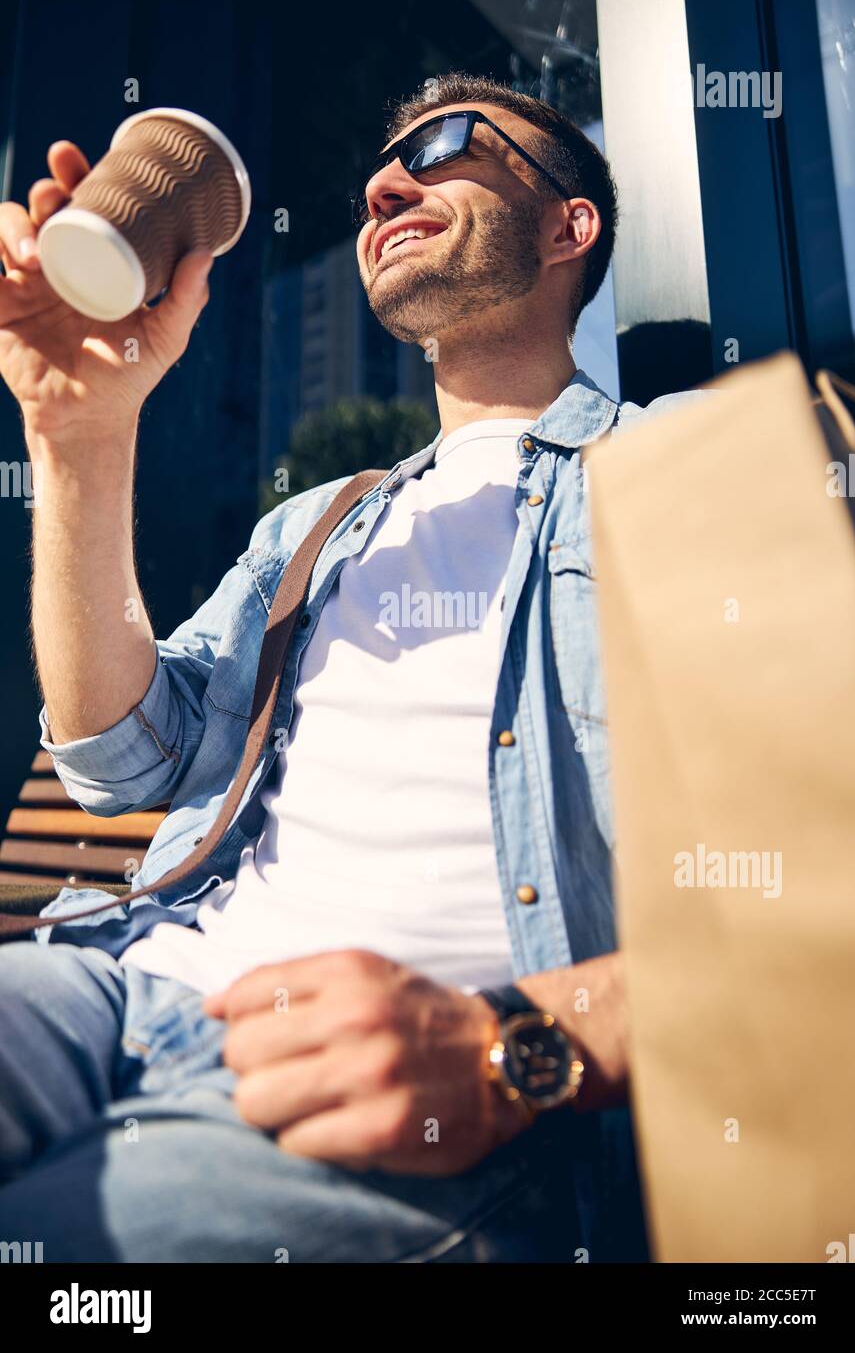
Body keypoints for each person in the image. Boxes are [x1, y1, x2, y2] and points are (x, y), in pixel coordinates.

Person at [0, 72, 702, 1262]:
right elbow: (122, 760)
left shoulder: (679, 474)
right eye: (380, 170)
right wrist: (80, 437)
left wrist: (523, 1047)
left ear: (567, 228)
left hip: (401, 1094)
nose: (383, 184)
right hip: (116, 981)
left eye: (440, 146)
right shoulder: (321, 522)